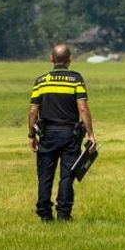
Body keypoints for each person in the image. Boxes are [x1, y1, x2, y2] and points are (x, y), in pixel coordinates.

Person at [28, 43, 95, 222]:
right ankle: (63, 214)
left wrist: (31, 135)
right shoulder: (76, 80)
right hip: (70, 135)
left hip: (47, 135)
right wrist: (90, 134)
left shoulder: (41, 81)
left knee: (45, 176)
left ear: (51, 59)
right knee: (67, 175)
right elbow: (83, 108)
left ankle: (44, 214)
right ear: (69, 60)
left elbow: (33, 111)